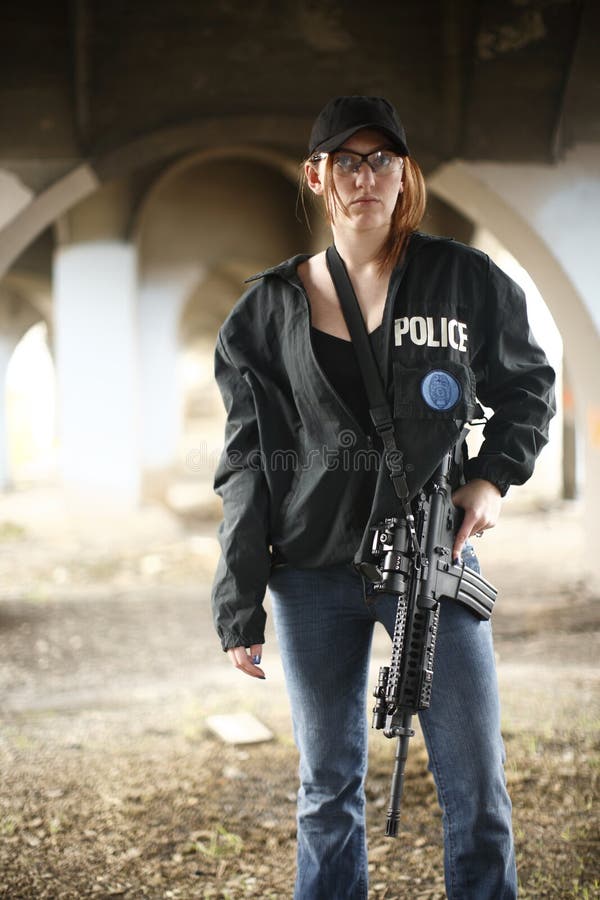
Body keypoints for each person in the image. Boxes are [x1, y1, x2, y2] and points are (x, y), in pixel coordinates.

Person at [211, 96, 555, 899]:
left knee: (477, 790)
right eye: (346, 162)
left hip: (433, 562)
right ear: (316, 176)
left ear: (405, 173)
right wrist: (240, 601)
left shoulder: (465, 280)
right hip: (311, 573)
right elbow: (246, 464)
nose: (365, 178)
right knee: (327, 790)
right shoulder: (263, 313)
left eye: (381, 160)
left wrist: (493, 477)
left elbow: (529, 386)